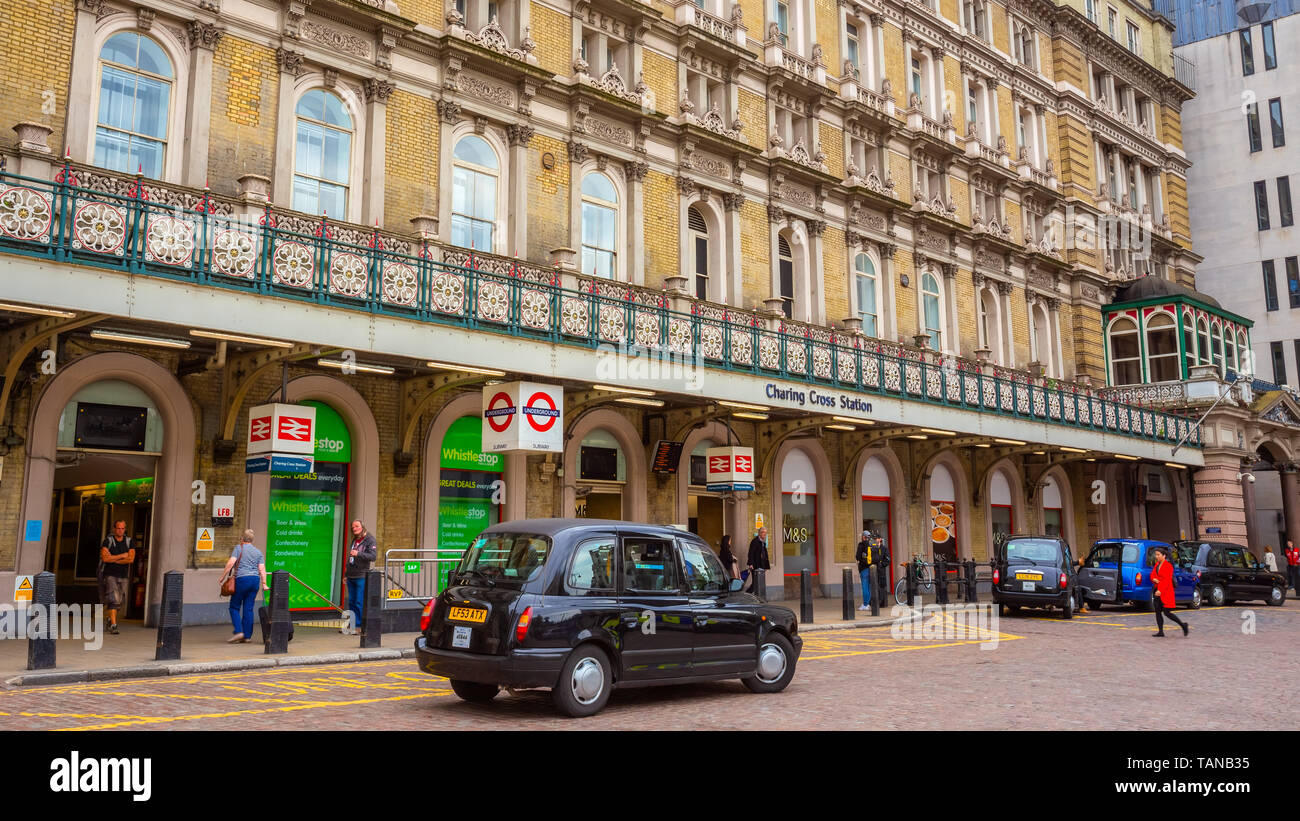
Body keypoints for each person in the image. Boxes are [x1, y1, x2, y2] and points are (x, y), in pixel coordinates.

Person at [222, 529, 268, 643]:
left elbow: (231, 563)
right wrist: (264, 583)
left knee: (234, 607)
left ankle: (239, 631)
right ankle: (247, 636)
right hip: (254, 581)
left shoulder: (239, 548)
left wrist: (222, 577)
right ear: (252, 540)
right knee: (248, 608)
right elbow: (262, 569)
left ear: (242, 539)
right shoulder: (258, 552)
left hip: (242, 580)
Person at [98, 520, 134, 635]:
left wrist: (113, 559)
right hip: (110, 574)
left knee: (120, 601)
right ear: (114, 529)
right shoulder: (108, 541)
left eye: (123, 528)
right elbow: (105, 559)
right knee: (113, 598)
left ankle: (109, 619)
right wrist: (122, 556)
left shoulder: (129, 542)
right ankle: (114, 625)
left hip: (123, 575)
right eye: (118, 528)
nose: (121, 531)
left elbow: (131, 559)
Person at [346, 520, 378, 630]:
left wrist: (358, 553)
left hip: (361, 575)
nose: (354, 528)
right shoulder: (354, 539)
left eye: (357, 526)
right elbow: (350, 558)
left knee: (359, 601)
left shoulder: (370, 540)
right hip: (351, 575)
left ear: (362, 527)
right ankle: (352, 624)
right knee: (351, 602)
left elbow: (373, 556)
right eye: (353, 527)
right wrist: (346, 574)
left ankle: (359, 626)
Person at [1150, 545, 1187, 638]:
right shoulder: (1157, 565)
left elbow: (1166, 580)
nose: (1156, 556)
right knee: (1157, 611)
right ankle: (1160, 631)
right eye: (1156, 555)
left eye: (1158, 555)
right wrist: (1154, 579)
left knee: (1167, 612)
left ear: (1164, 556)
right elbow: (1152, 575)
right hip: (1157, 590)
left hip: (1165, 592)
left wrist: (1160, 590)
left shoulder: (1168, 566)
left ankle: (1183, 625)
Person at [855, 530, 875, 611]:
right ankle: (868, 603)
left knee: (865, 587)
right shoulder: (872, 544)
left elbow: (857, 557)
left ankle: (865, 604)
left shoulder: (861, 544)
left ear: (863, 537)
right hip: (872, 568)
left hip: (864, 568)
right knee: (869, 586)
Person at [747, 527, 770, 591]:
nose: (765, 535)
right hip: (755, 565)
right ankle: (747, 595)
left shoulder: (762, 542)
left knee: (760, 582)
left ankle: (760, 597)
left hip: (761, 565)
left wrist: (766, 566)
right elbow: (751, 553)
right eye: (763, 533)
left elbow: (765, 555)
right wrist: (750, 564)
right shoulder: (755, 541)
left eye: (765, 533)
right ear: (759, 533)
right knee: (755, 583)